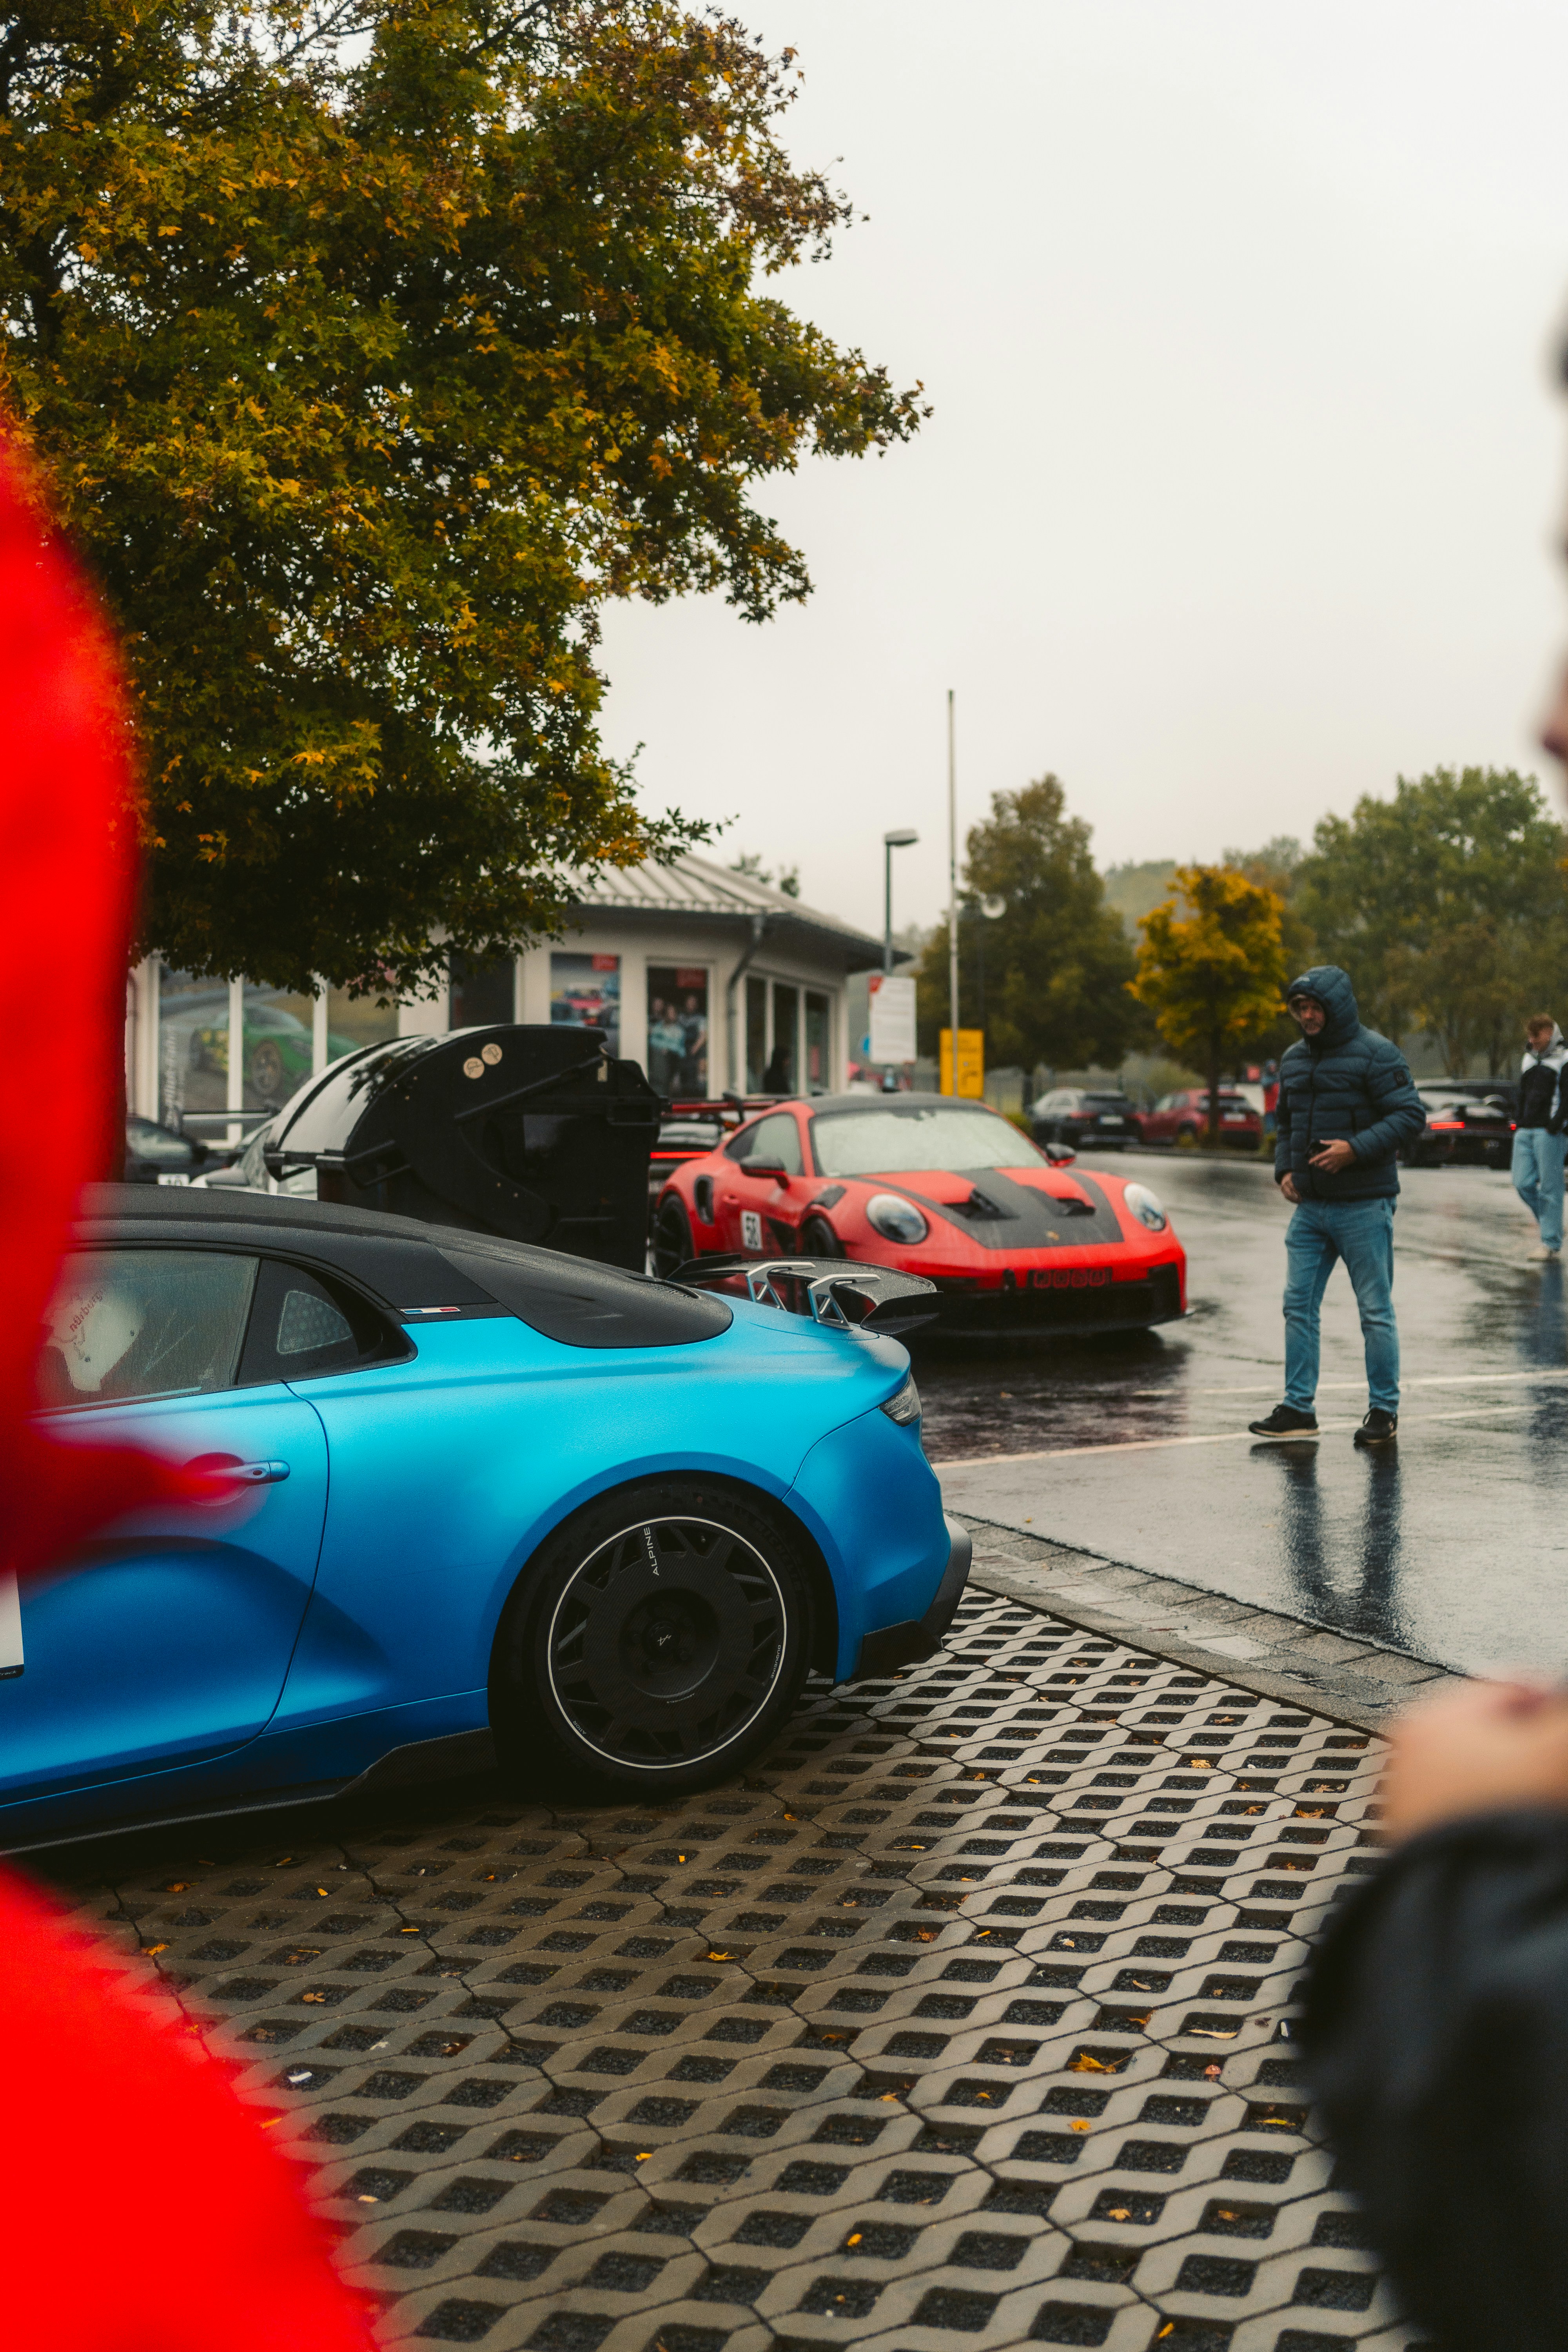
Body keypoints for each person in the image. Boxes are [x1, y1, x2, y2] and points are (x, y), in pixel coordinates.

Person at [1247, 965, 1426, 1447]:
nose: (1306, 1015)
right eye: (1299, 1008)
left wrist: (1354, 1148)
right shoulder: (1292, 1059)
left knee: (1373, 1309)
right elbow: (1285, 1123)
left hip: (1364, 1205)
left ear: (1336, 1008)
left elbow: (1411, 1115)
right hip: (1310, 1209)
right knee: (1297, 1306)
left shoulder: (1377, 1053)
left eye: (1315, 1007)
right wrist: (1284, 1170)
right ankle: (1298, 1409)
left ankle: (1383, 1411)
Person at [1512, 1013, 1568, 1260]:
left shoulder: (1564, 1059)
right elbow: (1522, 1094)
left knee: (1551, 1188)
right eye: (1530, 1036)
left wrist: (1555, 1127)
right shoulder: (1528, 1058)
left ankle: (1550, 1243)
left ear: (1549, 1033)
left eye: (1536, 1037)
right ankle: (1552, 1224)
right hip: (1525, 1130)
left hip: (1550, 1133)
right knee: (1522, 1183)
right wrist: (1519, 1122)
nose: (1532, 1041)